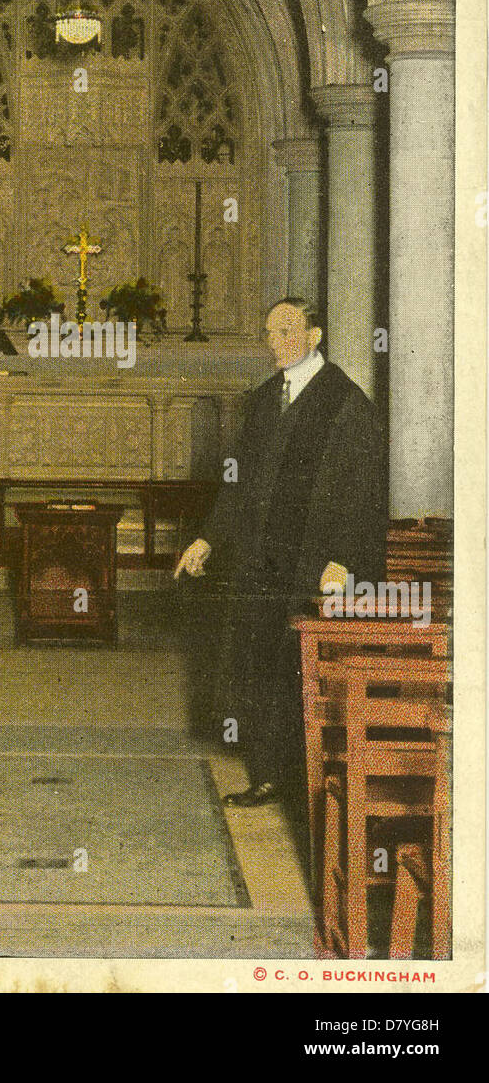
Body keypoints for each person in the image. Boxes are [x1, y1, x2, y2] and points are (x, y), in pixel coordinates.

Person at [175, 297, 387, 808]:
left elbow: (365, 493)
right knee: (255, 665)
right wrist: (208, 537)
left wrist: (345, 559)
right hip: (258, 561)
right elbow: (237, 479)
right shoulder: (266, 398)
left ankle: (306, 782)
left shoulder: (345, 403)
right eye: (269, 332)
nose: (274, 342)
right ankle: (269, 772)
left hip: (314, 563)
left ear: (315, 337)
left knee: (297, 668)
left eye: (286, 331)